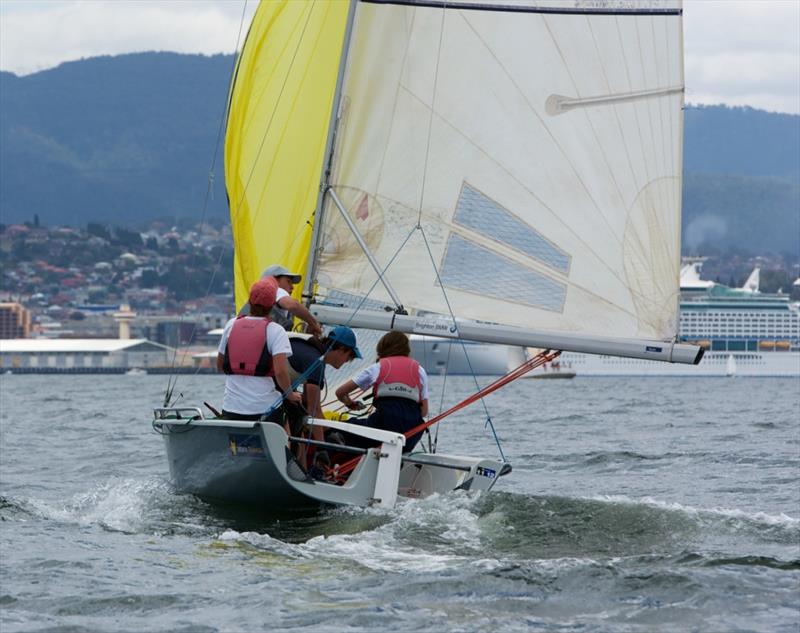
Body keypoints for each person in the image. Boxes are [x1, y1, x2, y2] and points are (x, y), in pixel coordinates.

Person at [217, 277, 302, 424]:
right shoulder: (276, 330)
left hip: (231, 408)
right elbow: (281, 372)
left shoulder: (231, 325)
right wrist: (290, 395)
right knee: (288, 419)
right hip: (264, 409)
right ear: (272, 304)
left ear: (250, 301)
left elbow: (220, 365)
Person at [335, 330, 428, 453]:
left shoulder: (377, 367)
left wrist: (350, 403)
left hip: (382, 428)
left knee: (339, 430)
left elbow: (340, 392)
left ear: (382, 347)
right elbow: (424, 412)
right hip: (410, 435)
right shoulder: (420, 371)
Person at [284, 325, 362, 469]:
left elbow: (307, 401)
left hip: (260, 382)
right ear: (341, 349)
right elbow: (314, 409)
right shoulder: (316, 362)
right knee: (296, 426)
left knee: (298, 418)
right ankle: (297, 472)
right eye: (350, 356)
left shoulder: (312, 348)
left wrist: (327, 432)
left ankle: (301, 471)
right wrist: (322, 448)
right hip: (266, 388)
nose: (347, 361)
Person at [240, 264, 322, 337]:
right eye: (288, 281)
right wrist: (314, 323)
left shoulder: (257, 298)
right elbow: (293, 305)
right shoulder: (274, 289)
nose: (292, 287)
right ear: (275, 280)